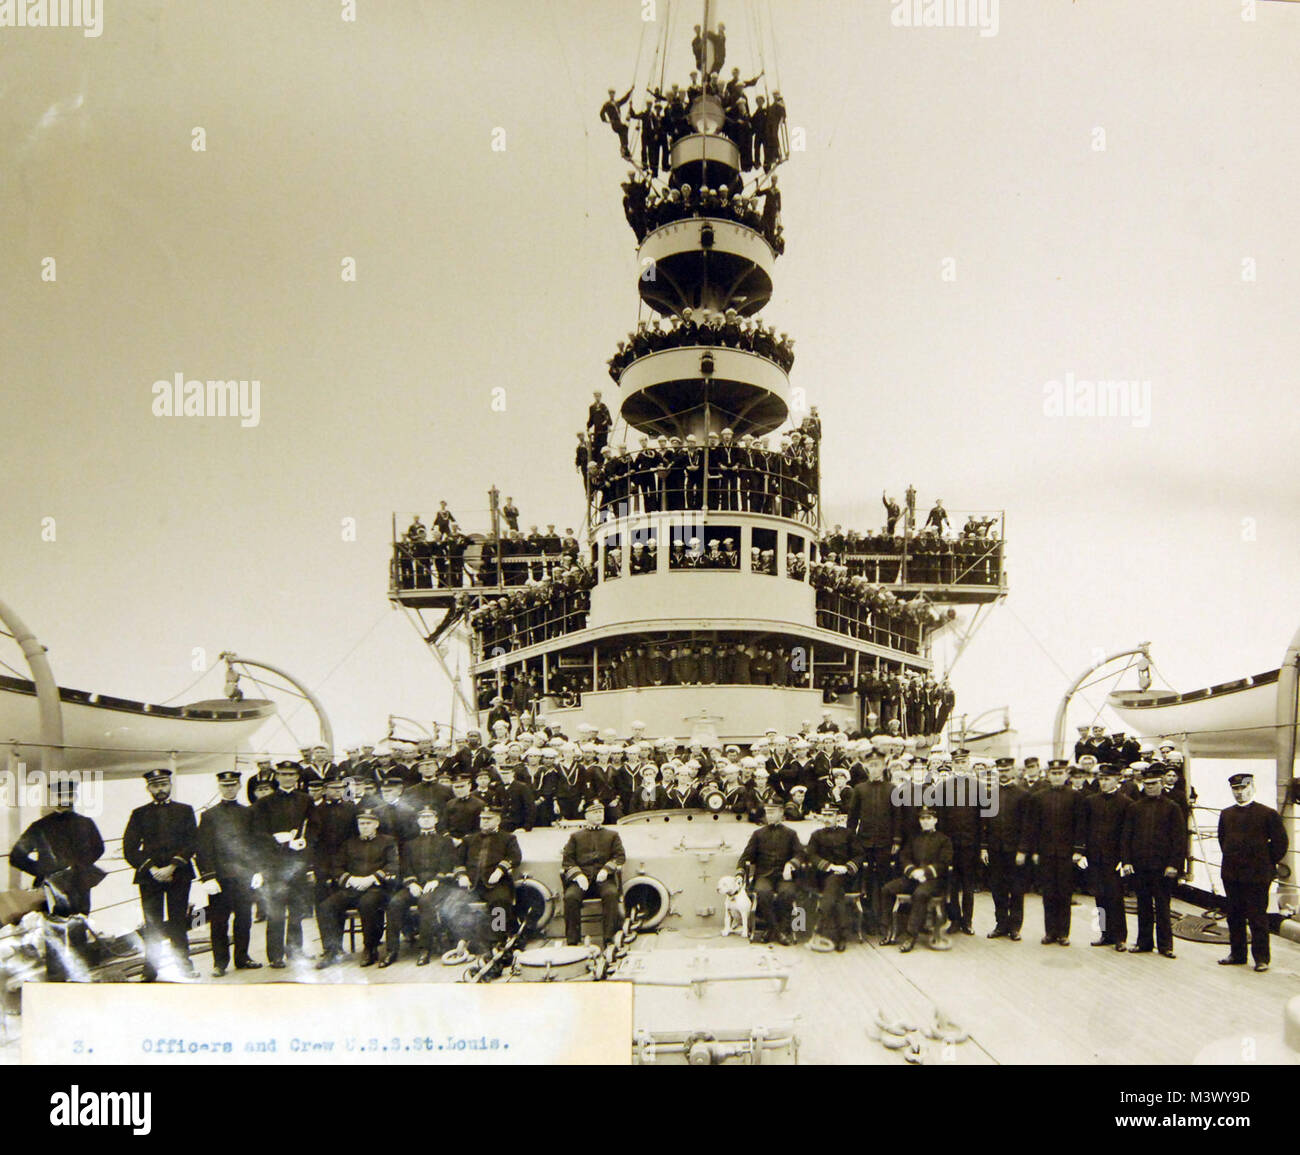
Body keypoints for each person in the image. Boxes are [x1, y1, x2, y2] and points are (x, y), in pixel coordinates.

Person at [9, 774, 106, 981]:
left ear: (75, 796)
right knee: (54, 935)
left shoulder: (86, 823)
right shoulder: (40, 826)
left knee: (78, 933)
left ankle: (79, 982)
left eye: (69, 794)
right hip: (51, 889)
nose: (65, 798)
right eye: (60, 794)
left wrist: (79, 867)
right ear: (54, 798)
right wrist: (42, 872)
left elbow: (99, 848)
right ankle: (56, 982)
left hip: (79, 886)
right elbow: (16, 856)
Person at [122, 768, 198, 981]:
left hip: (179, 874)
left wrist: (172, 866)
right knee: (152, 925)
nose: (160, 789)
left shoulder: (185, 810)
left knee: (178, 922)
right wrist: (152, 869)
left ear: (170, 786)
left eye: (163, 784)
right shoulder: (139, 814)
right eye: (155, 785)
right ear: (148, 789)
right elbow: (129, 848)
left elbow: (192, 841)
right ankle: (150, 970)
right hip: (150, 878)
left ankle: (185, 966)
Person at [1217, 772, 1289, 972]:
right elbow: (1223, 840)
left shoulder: (1267, 814)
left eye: (1243, 788)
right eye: (1235, 789)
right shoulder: (1226, 814)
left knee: (1257, 917)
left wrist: (1265, 862)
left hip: (1257, 875)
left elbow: (1280, 843)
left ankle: (1261, 958)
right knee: (1234, 915)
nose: (1239, 793)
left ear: (1252, 787)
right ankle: (1237, 954)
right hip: (1232, 874)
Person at [195, 770, 262, 976]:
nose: (229, 788)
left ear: (240, 786)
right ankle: (219, 963)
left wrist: (258, 870)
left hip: (243, 876)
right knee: (218, 921)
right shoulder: (209, 816)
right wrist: (207, 876)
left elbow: (256, 845)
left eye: (233, 785)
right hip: (220, 878)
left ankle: (242, 958)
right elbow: (203, 849)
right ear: (219, 787)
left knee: (244, 919)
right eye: (225, 785)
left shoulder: (248, 813)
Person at [250, 762, 314, 968]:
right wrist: (277, 840)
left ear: (297, 777)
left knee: (296, 912)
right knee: (276, 911)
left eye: (291, 774)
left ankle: (295, 951)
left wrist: (303, 842)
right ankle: (275, 955)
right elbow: (257, 833)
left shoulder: (306, 800)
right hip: (274, 865)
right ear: (276, 776)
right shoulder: (264, 803)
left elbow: (314, 827)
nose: (287, 778)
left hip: (296, 864)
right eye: (283, 774)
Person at [315, 811, 398, 968]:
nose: (365, 827)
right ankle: (332, 950)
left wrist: (371, 879)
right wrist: (351, 879)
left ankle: (370, 948)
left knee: (368, 904)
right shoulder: (349, 843)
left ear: (376, 824)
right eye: (361, 824)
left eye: (368, 823)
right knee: (326, 906)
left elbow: (392, 865)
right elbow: (337, 867)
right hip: (352, 888)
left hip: (377, 889)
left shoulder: (387, 842)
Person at [382, 804, 461, 967]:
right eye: (422, 818)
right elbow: (405, 867)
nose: (426, 820)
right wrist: (411, 883)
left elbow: (448, 864)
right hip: (415, 886)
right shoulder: (409, 844)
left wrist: (436, 880)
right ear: (418, 821)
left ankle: (425, 949)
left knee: (426, 902)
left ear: (436, 820)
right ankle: (391, 950)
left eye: (429, 817)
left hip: (439, 885)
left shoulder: (445, 841)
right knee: (395, 903)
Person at [1119, 766, 1185, 958]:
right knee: (1143, 905)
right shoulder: (1134, 808)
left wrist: (1174, 864)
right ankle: (1144, 942)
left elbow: (1178, 839)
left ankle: (1166, 946)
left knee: (1163, 906)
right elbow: (1126, 837)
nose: (1150, 788)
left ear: (1161, 783)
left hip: (1163, 868)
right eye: (1147, 784)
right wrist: (1126, 861)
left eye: (1154, 784)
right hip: (1140, 866)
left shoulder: (1172, 808)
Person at [1020, 759, 1084, 946]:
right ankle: (1050, 932)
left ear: (1066, 775)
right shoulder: (1038, 797)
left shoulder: (1075, 797)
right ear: (1048, 775)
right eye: (1053, 773)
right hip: (1046, 852)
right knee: (1048, 893)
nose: (1057, 776)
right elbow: (1032, 827)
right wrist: (1034, 851)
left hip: (1066, 853)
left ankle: (1063, 933)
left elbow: (1080, 825)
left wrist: (1078, 850)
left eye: (1060, 773)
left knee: (1064, 893)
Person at [881, 807, 952, 952]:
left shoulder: (944, 840)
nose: (925, 822)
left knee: (920, 894)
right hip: (913, 878)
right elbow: (904, 857)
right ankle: (887, 930)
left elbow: (944, 863)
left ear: (935, 820)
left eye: (929, 819)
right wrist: (912, 871)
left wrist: (924, 872)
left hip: (933, 881)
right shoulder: (914, 838)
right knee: (887, 889)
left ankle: (910, 936)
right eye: (922, 819)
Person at [453, 806, 522, 953]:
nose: (484, 822)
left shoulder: (508, 838)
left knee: (500, 903)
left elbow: (515, 857)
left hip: (495, 883)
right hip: (471, 884)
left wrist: (500, 870)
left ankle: (498, 938)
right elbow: (457, 861)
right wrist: (462, 875)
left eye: (488, 819)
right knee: (455, 902)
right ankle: (463, 939)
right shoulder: (469, 839)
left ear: (497, 820)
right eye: (482, 819)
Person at [561, 800, 627, 947]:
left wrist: (606, 869)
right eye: (595, 813)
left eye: (601, 812)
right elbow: (567, 860)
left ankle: (609, 939)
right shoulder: (576, 837)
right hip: (582, 880)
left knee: (611, 894)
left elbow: (619, 856)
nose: (599, 815)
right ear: (587, 816)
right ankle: (572, 941)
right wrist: (578, 875)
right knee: (570, 897)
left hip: (603, 880)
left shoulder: (612, 835)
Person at [1080, 764, 1131, 950]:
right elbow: (1085, 829)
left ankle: (1120, 937)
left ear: (1117, 779)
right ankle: (1104, 934)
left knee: (1115, 898)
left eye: (1108, 779)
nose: (1104, 782)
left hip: (1114, 860)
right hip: (1095, 858)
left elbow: (1127, 834)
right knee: (1099, 897)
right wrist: (1084, 853)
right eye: (1101, 779)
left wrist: (1124, 859)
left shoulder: (1126, 803)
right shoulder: (1091, 801)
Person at [737, 801, 803, 945]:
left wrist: (791, 864)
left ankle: (771, 930)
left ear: (781, 813)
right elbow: (746, 857)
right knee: (762, 893)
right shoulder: (758, 834)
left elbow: (800, 854)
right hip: (764, 875)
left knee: (787, 893)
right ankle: (779, 932)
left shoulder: (791, 834)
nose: (769, 816)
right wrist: (739, 873)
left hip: (784, 876)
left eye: (773, 812)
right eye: (767, 812)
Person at [982, 757, 1027, 940]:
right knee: (997, 888)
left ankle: (1015, 927)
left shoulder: (1023, 795)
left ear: (1014, 771)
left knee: (1016, 889)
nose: (1004, 773)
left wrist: (1022, 850)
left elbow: (1026, 826)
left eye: (1007, 770)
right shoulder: (989, 794)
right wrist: (984, 848)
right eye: (1000, 770)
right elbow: (984, 823)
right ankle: (1001, 924)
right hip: (995, 849)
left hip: (1014, 850)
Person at [805, 811, 861, 952]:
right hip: (823, 877)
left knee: (835, 886)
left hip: (845, 876)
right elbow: (811, 854)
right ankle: (841, 936)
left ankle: (820, 927)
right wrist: (829, 866)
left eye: (831, 816)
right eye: (825, 816)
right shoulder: (816, 835)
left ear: (838, 817)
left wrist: (846, 867)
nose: (827, 819)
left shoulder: (848, 834)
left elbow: (860, 855)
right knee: (837, 893)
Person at [600, 87, 633, 158]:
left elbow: (624, 100)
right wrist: (606, 120)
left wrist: (630, 92)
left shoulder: (617, 103)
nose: (612, 95)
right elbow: (601, 113)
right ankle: (624, 148)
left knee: (624, 131)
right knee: (624, 128)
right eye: (611, 94)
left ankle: (625, 149)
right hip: (614, 123)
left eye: (613, 94)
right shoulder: (607, 104)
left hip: (619, 122)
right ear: (609, 95)